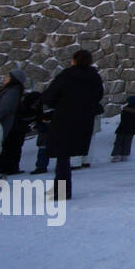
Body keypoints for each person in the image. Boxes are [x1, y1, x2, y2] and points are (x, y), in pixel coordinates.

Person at [42, 49, 104, 201]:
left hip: (64, 118)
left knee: (62, 156)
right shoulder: (94, 77)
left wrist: (55, 105)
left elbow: (50, 94)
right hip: (83, 120)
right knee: (65, 156)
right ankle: (60, 188)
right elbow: (98, 96)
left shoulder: (67, 75)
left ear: (74, 60)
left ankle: (61, 190)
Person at [0, 68, 27, 175]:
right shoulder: (8, 90)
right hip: (4, 123)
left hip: (6, 124)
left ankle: (0, 170)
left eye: (8, 76)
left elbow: (4, 108)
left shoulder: (12, 92)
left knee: (4, 148)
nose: (5, 78)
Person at [112, 96, 135, 162]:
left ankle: (116, 155)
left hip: (122, 127)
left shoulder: (125, 109)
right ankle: (125, 155)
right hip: (132, 129)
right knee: (127, 142)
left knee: (118, 142)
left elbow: (123, 119)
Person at [30, 101, 54, 175]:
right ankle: (41, 166)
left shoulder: (44, 103)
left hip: (45, 126)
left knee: (43, 147)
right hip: (45, 125)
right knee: (43, 147)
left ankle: (41, 166)